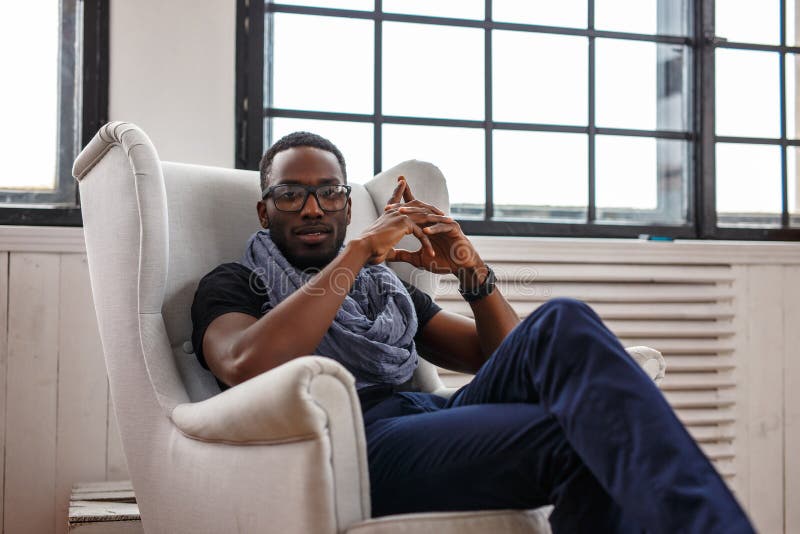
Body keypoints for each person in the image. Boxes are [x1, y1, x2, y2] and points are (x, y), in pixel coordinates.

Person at [190, 131, 754, 533]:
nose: (313, 207)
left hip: (427, 414)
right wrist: (361, 251)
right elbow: (246, 363)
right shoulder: (236, 284)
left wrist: (470, 269)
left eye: (330, 192)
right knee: (578, 438)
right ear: (265, 212)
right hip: (353, 445)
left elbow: (506, 360)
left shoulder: (383, 292)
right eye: (292, 193)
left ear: (345, 205)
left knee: (562, 321)